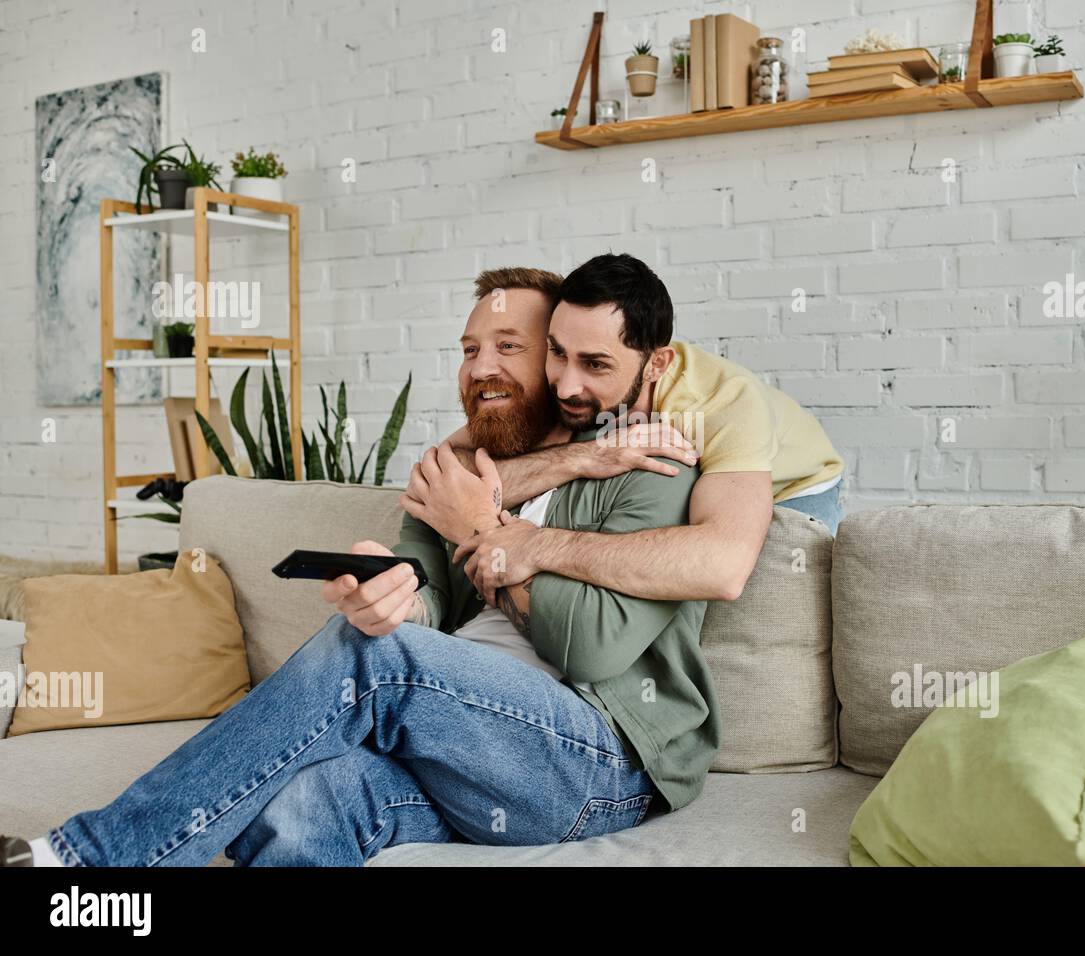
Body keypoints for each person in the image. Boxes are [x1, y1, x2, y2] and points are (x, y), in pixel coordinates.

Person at [0, 267, 718, 867]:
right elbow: (428, 600)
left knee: (381, 658)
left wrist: (478, 537)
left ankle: (89, 862)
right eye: (469, 348)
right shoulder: (449, 470)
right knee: (284, 808)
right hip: (462, 752)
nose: (482, 368)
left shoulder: (644, 461)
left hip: (591, 763)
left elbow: (592, 649)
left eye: (510, 347)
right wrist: (398, 601)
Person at [442, 253, 844, 610]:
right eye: (557, 352)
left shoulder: (721, 405)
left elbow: (723, 568)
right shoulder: (569, 386)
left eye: (596, 364)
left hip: (800, 486)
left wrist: (537, 545)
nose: (565, 386)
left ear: (656, 365)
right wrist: (581, 457)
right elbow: (448, 476)